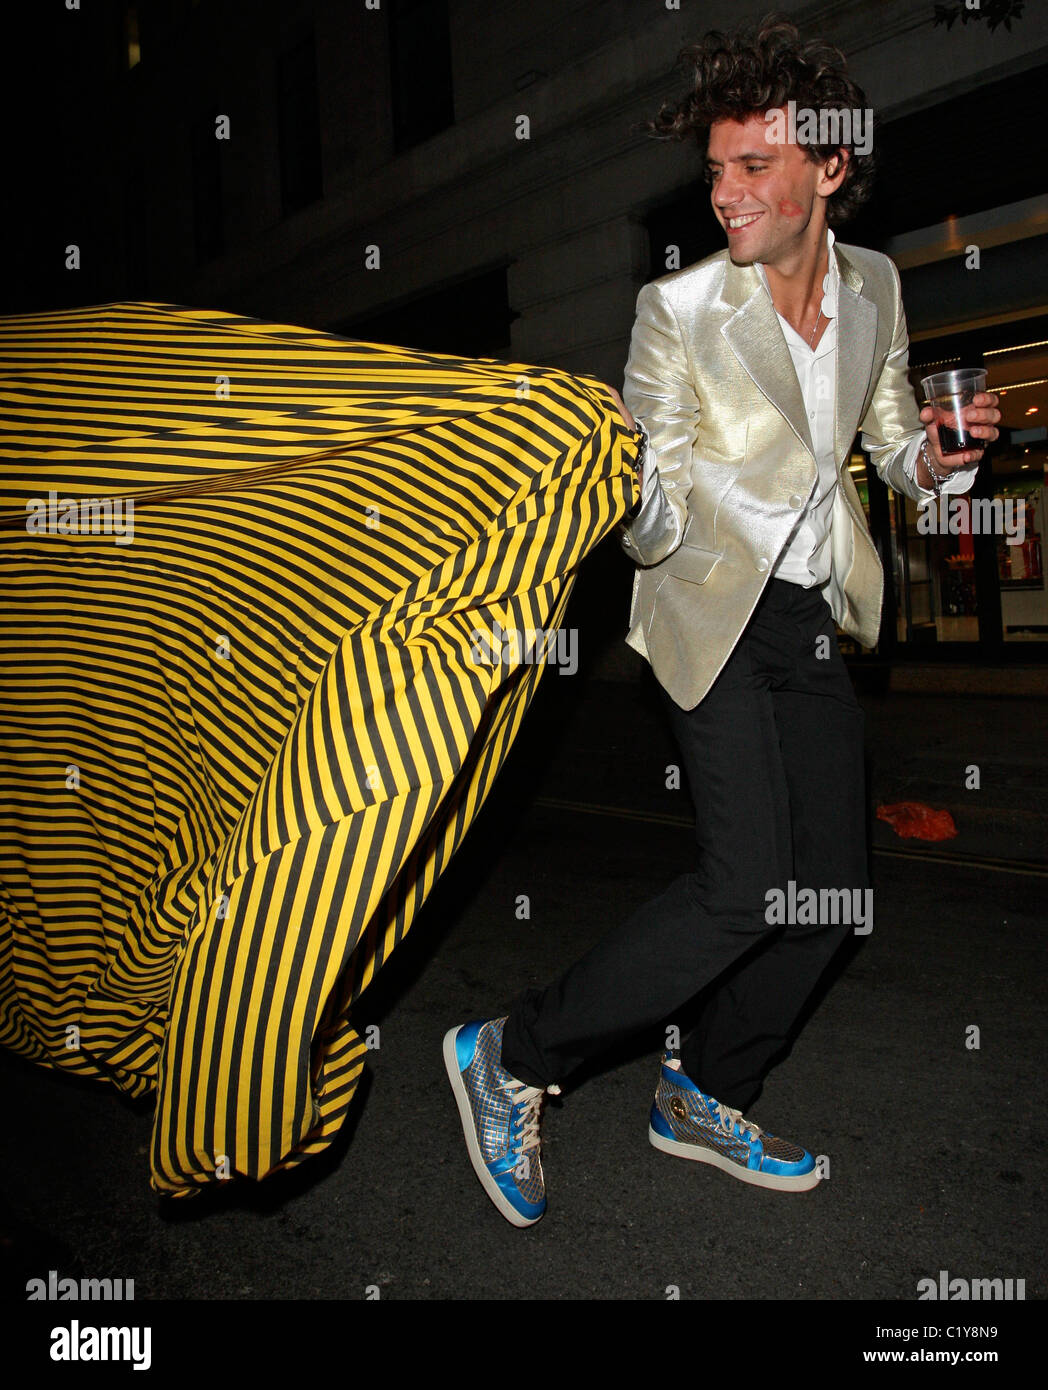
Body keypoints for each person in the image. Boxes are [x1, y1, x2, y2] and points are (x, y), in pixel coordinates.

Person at [443, 15, 1001, 1227]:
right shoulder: (677, 308)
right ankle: (513, 1053)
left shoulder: (876, 288)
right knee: (748, 887)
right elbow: (653, 505)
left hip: (811, 618)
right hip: (711, 609)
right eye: (717, 169)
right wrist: (609, 485)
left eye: (754, 167)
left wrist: (944, 462)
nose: (726, 192)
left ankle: (703, 1087)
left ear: (827, 169)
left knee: (833, 895)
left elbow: (896, 446)